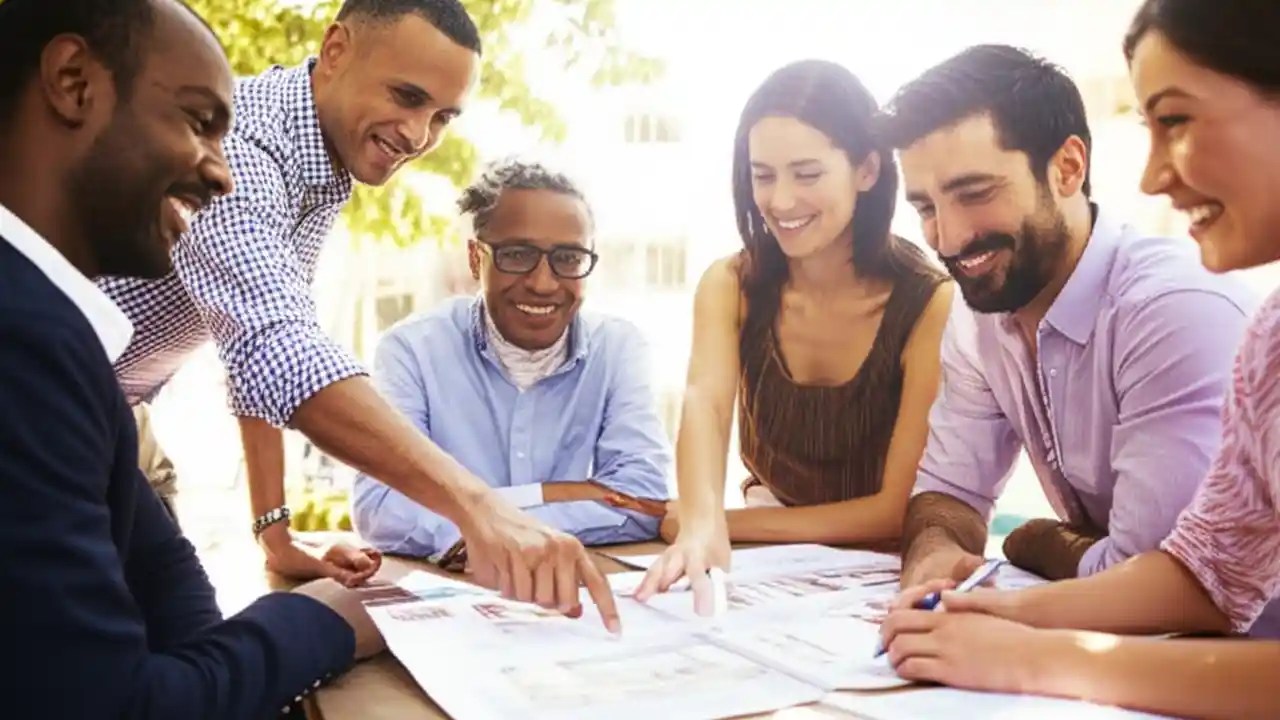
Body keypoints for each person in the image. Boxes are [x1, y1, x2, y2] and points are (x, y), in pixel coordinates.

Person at [93, 0, 622, 627]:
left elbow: (254, 344)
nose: (418, 136)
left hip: (119, 415)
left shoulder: (322, 159)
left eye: (442, 117)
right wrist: (479, 508)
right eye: (407, 96)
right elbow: (277, 346)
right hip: (37, 406)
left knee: (185, 634)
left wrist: (275, 533)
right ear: (336, 50)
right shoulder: (244, 147)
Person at [880, 4, 1280, 718]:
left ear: (1067, 168)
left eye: (1177, 121)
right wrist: (997, 615)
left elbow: (1183, 587)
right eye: (926, 207)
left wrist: (1033, 646)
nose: (1152, 178)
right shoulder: (1272, 337)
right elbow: (1206, 575)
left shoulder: (1182, 305)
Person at [0, 1, 383, 717]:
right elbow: (114, 706)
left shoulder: (63, 337)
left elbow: (161, 567)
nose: (222, 175)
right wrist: (324, 622)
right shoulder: (23, 343)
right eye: (197, 122)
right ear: (73, 83)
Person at [636, 59, 953, 614]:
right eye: (763, 176)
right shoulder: (731, 283)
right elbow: (706, 403)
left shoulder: (930, 303)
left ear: (867, 169)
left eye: (806, 175)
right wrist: (700, 526)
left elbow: (892, 511)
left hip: (879, 574)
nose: (780, 201)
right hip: (771, 570)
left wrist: (721, 522)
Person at [354, 159, 671, 557]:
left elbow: (644, 500)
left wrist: (476, 516)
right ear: (476, 259)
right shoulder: (411, 351)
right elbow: (381, 510)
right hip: (453, 587)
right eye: (518, 255)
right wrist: (557, 496)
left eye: (568, 258)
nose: (543, 283)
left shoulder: (618, 348)